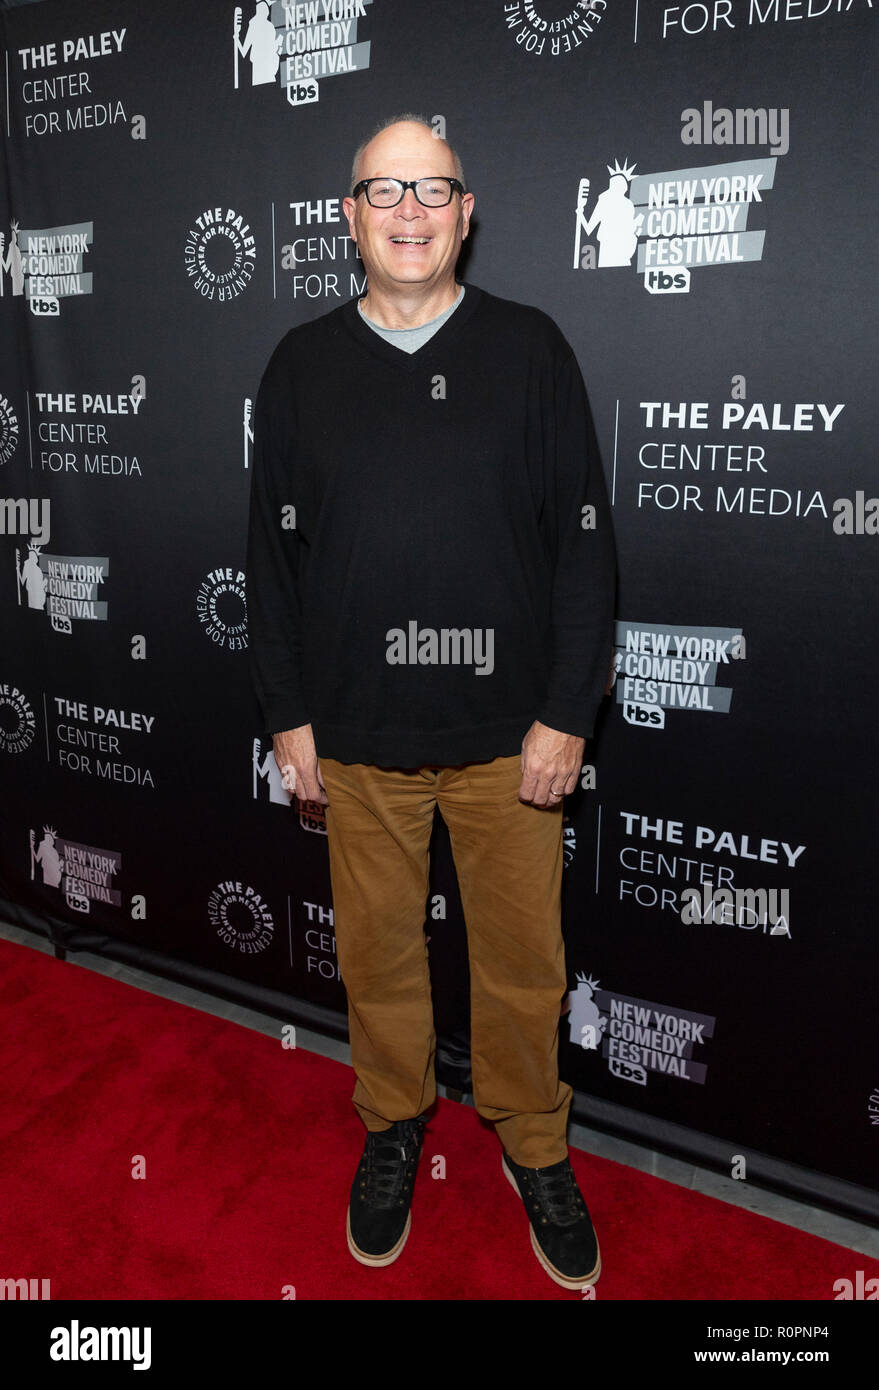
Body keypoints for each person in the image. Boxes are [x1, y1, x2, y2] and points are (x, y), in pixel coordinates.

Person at [245, 114, 617, 1292]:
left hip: (513, 745)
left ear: (466, 212)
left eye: (433, 189)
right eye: (384, 190)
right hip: (355, 741)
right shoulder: (300, 364)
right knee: (378, 959)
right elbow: (270, 561)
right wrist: (289, 717)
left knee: (523, 964)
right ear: (349, 217)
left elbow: (586, 550)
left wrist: (568, 712)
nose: (409, 211)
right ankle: (394, 1121)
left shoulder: (531, 347)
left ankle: (534, 1140)